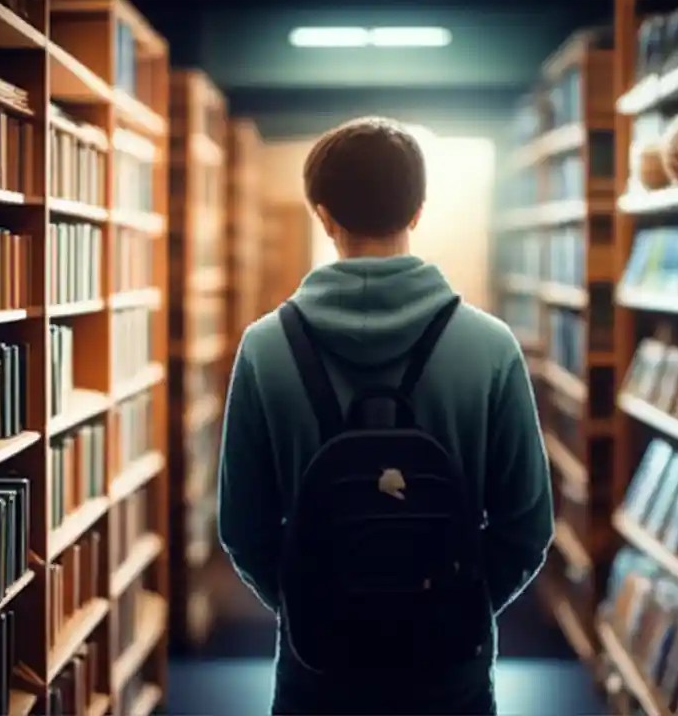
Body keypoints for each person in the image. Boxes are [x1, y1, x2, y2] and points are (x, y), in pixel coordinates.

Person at [216, 116, 554, 715]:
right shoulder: (491, 346)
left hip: (316, 676)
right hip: (451, 679)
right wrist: (451, 610)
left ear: (322, 214)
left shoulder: (265, 347)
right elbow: (526, 525)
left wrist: (318, 608)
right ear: (418, 210)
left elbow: (244, 527)